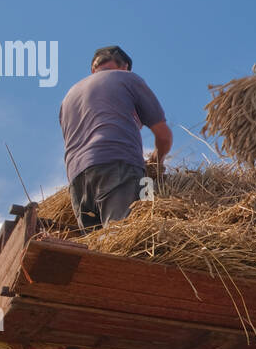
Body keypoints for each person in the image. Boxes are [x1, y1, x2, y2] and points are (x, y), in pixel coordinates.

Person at [58, 45, 172, 231]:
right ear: (125, 66)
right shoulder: (127, 79)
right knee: (123, 238)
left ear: (94, 69)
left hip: (77, 179)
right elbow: (163, 135)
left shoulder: (68, 98)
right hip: (117, 165)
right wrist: (156, 163)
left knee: (95, 248)